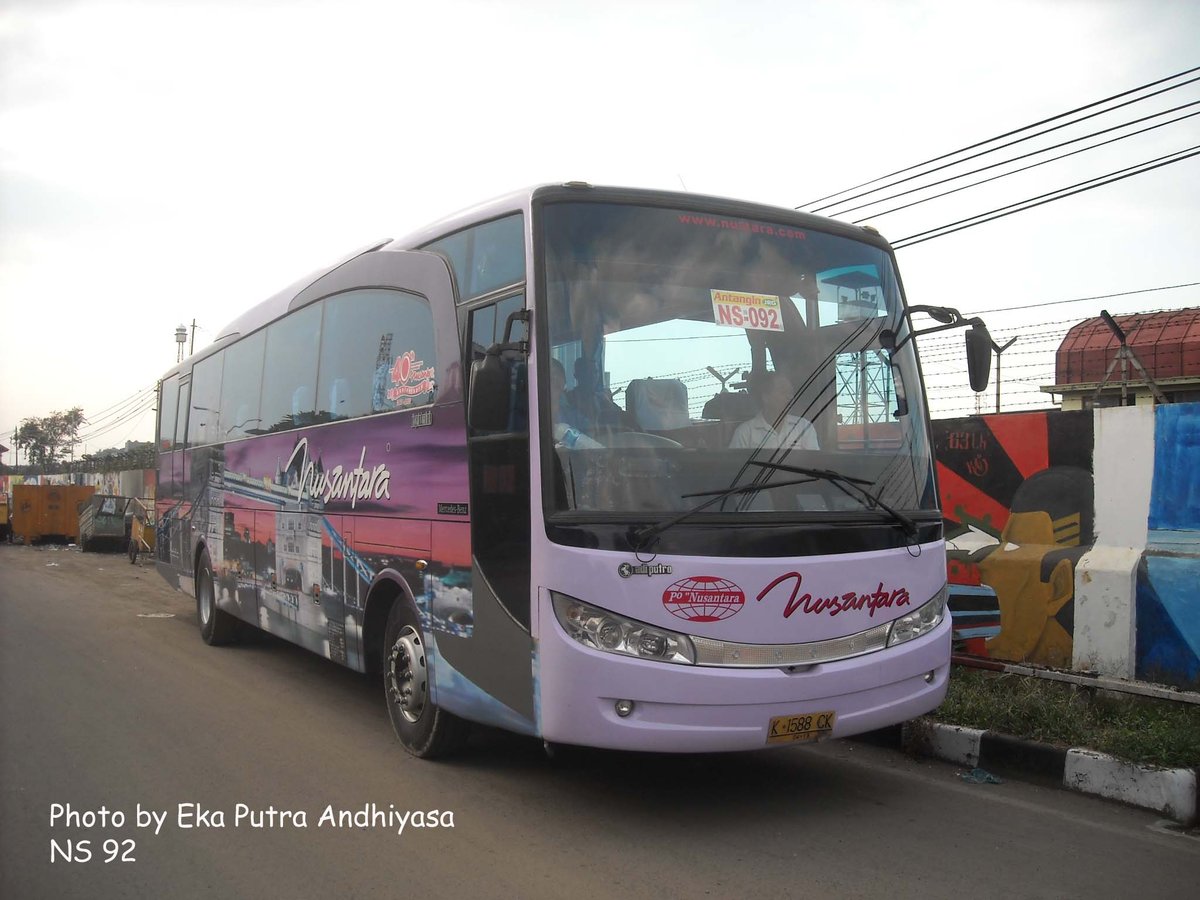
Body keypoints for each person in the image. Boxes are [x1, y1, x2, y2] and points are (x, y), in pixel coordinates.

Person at [729, 371, 818, 451]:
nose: (790, 397)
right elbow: (736, 467)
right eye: (783, 392)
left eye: (791, 393)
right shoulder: (745, 433)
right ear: (766, 397)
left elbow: (814, 464)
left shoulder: (804, 427)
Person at [550, 358, 602, 449]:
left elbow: (592, 438)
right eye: (550, 375)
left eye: (558, 374)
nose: (555, 378)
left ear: (565, 382)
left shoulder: (575, 417)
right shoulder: (529, 416)